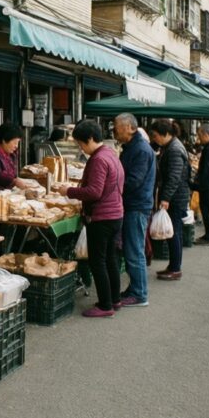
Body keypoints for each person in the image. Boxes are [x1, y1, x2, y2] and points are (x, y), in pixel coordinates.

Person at [56, 120, 124, 317]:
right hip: (115, 213)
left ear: (91, 139)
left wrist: (68, 190)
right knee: (111, 258)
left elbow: (94, 192)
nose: (81, 148)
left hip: (102, 217)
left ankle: (105, 305)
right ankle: (114, 299)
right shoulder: (111, 154)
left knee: (98, 261)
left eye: (81, 143)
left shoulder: (98, 159)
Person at [113, 113, 155, 307]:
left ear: (130, 127)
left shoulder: (140, 150)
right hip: (133, 204)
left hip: (137, 206)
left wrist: (112, 187)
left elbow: (134, 181)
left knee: (134, 250)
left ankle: (139, 294)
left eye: (117, 126)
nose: (115, 130)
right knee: (132, 249)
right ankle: (135, 288)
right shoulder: (132, 147)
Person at [147, 120, 190, 281]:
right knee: (173, 232)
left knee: (174, 232)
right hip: (175, 196)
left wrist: (166, 198)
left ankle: (175, 268)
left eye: (156, 136)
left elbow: (174, 177)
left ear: (165, 134)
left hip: (175, 198)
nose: (155, 139)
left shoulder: (174, 149)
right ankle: (173, 266)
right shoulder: (170, 147)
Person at [0, 123, 28, 192]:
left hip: (9, 192)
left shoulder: (12, 154)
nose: (16, 146)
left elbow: (14, 174)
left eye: (18, 143)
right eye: (15, 142)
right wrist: (14, 181)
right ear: (4, 140)